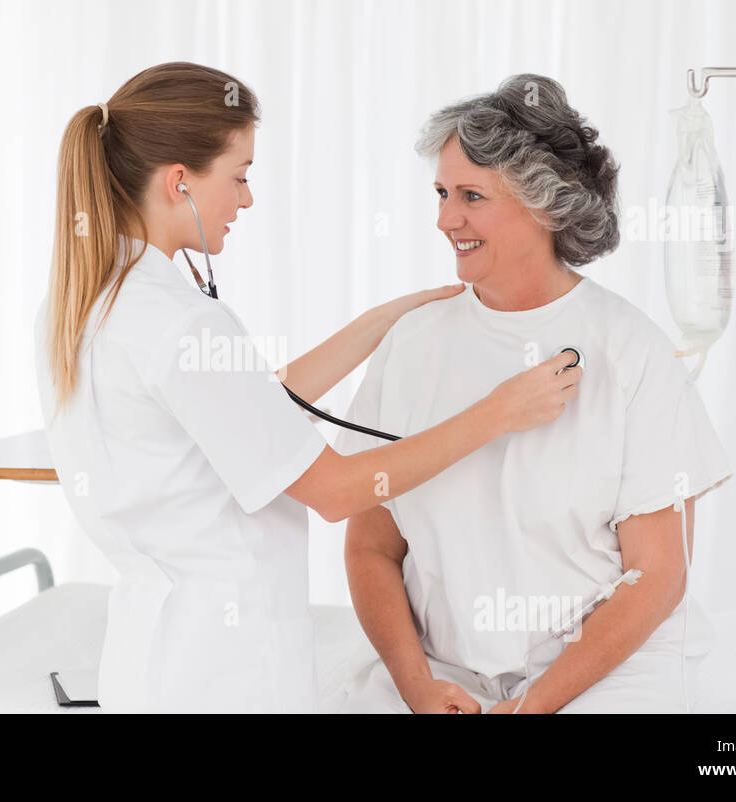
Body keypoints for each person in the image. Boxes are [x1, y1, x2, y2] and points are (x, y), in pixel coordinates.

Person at [33, 62, 583, 713]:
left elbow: (246, 408)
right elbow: (335, 491)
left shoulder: (86, 304)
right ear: (180, 182)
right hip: (224, 676)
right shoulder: (182, 323)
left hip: (148, 662)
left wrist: (378, 324)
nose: (247, 199)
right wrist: (498, 414)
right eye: (239, 176)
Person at [338, 74, 733, 714]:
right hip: (438, 673)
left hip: (602, 676)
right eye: (441, 193)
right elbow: (370, 544)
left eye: (470, 195)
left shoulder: (629, 348)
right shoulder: (412, 343)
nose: (444, 219)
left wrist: (529, 707)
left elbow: (657, 574)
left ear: (547, 204)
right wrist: (417, 685)